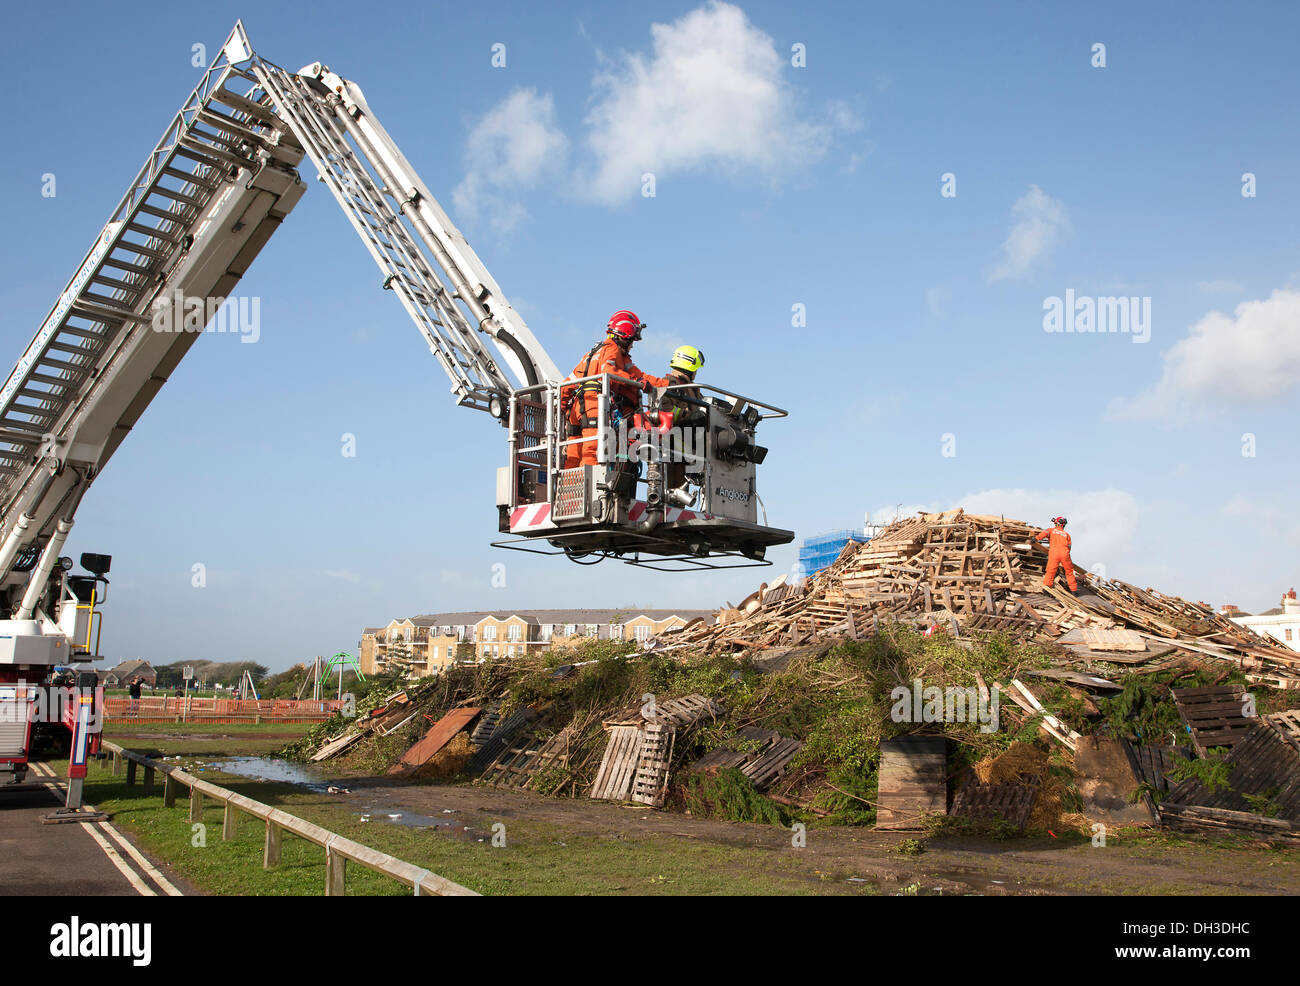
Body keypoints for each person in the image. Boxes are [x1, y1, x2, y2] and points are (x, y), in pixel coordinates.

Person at [562, 310, 670, 469]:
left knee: (573, 454)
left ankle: (567, 492)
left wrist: (563, 407)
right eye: (632, 340)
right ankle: (589, 489)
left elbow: (568, 383)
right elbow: (611, 373)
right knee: (592, 452)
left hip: (576, 408)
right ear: (625, 334)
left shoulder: (592, 353)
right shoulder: (613, 350)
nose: (633, 345)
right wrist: (637, 382)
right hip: (594, 405)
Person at [1036, 516, 1078, 593]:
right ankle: (1074, 590)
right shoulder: (1067, 535)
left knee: (1051, 570)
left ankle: (1046, 588)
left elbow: (1043, 534)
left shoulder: (1051, 530)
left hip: (1054, 553)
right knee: (1069, 571)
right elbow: (1069, 547)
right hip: (1065, 554)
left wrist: (1035, 539)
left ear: (1056, 523)